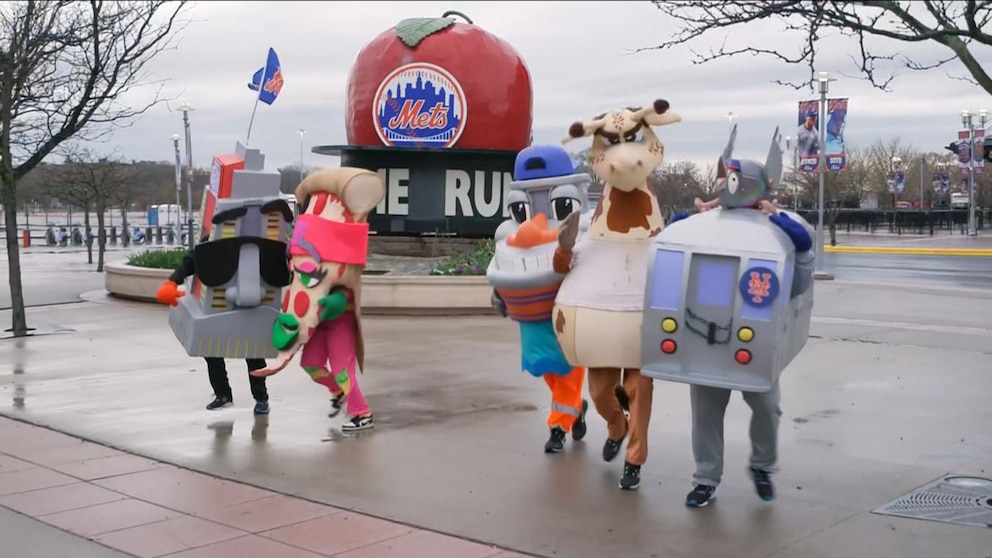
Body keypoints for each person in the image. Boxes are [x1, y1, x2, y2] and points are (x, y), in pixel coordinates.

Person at [155, 236, 271, 416]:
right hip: (218, 305)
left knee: (253, 353)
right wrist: (173, 280)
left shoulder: (256, 243)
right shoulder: (212, 241)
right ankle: (223, 394)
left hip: (250, 305)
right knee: (212, 349)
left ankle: (261, 398)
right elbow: (192, 260)